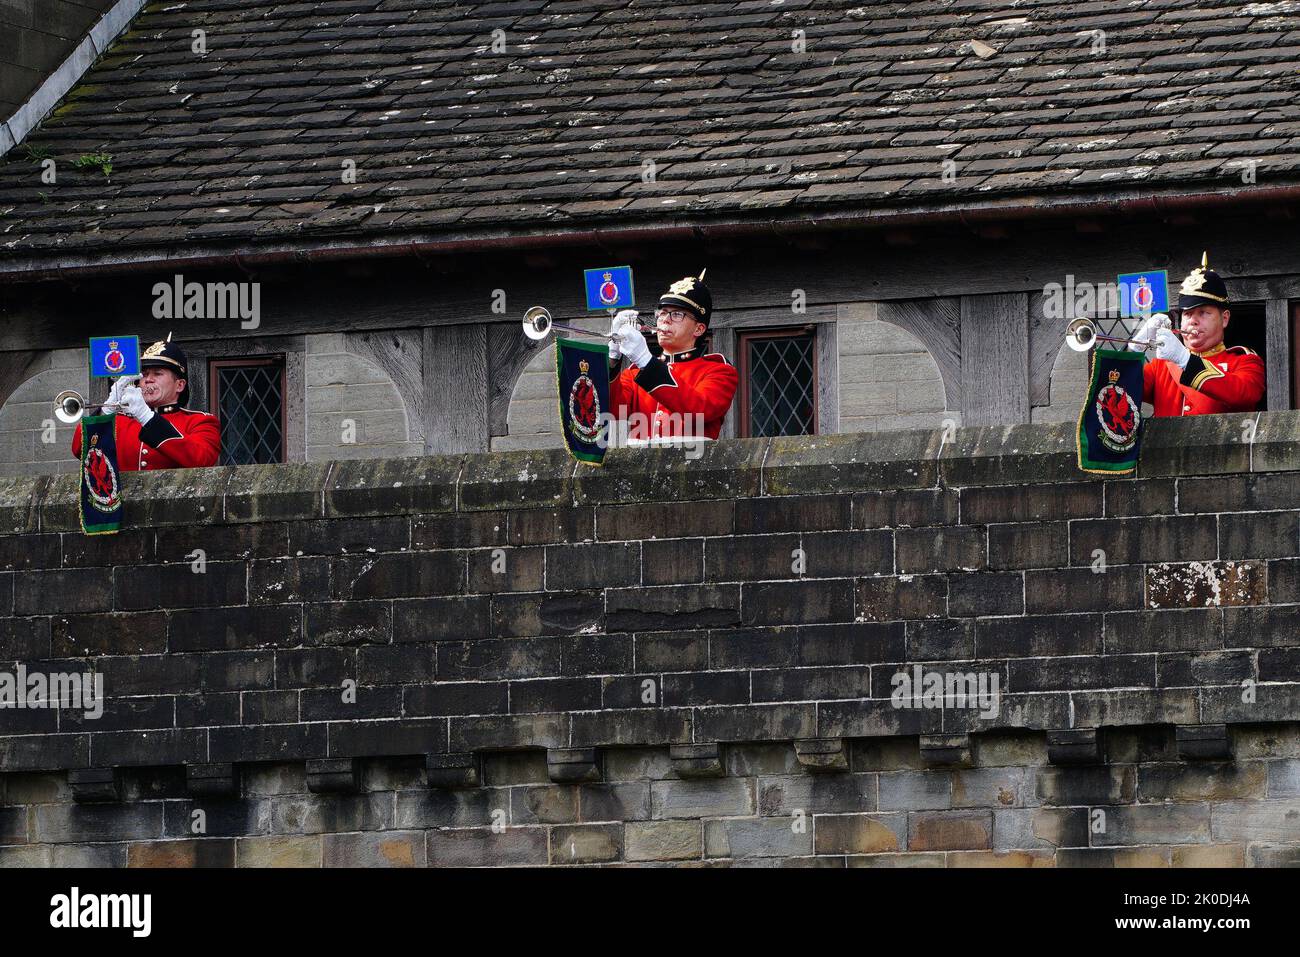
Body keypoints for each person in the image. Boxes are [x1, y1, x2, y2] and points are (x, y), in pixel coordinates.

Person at [606, 271, 739, 441]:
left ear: (698, 329)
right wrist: (613, 357)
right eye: (662, 313)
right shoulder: (633, 373)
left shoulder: (719, 371)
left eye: (676, 314)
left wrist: (645, 361)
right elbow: (609, 412)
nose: (665, 320)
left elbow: (699, 411)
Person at [1129, 253, 1265, 417]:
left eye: (1203, 313)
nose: (1193, 321)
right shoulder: (1161, 366)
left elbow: (1241, 395)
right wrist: (1134, 350)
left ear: (1225, 318)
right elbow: (1123, 390)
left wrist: (1185, 360)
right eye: (1187, 314)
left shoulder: (1244, 361)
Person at [72, 334, 220, 470]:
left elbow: (202, 459)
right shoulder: (118, 422)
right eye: (145, 374)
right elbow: (80, 449)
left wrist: (146, 417)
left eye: (157, 373)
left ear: (179, 385)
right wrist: (106, 411)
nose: (148, 379)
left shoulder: (200, 421)